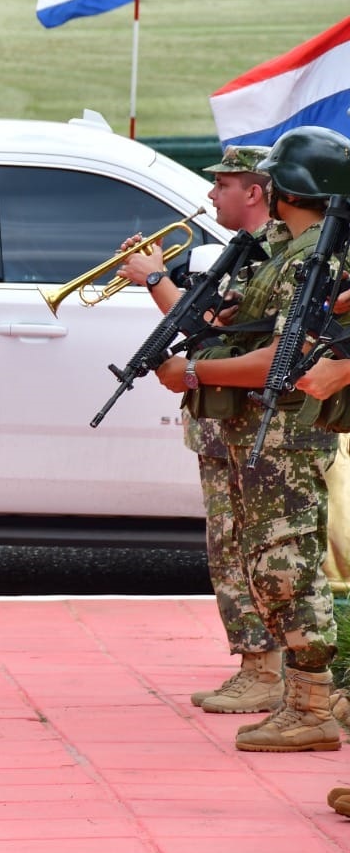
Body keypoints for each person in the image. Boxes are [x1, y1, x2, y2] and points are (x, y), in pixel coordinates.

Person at [153, 125, 350, 753]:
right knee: (268, 563)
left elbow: (280, 361)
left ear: (290, 186)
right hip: (262, 430)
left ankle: (313, 705)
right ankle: (303, 698)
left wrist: (193, 372)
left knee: (286, 563)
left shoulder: (317, 254)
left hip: (285, 433)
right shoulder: (292, 248)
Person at [116, 145, 283, 715]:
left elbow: (207, 335)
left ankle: (268, 669)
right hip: (222, 422)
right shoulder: (248, 251)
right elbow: (210, 319)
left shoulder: (274, 256)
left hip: (254, 423)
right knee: (229, 545)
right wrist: (159, 276)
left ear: (254, 192)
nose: (212, 194)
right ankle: (255, 665)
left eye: (223, 185)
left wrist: (155, 276)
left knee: (254, 547)